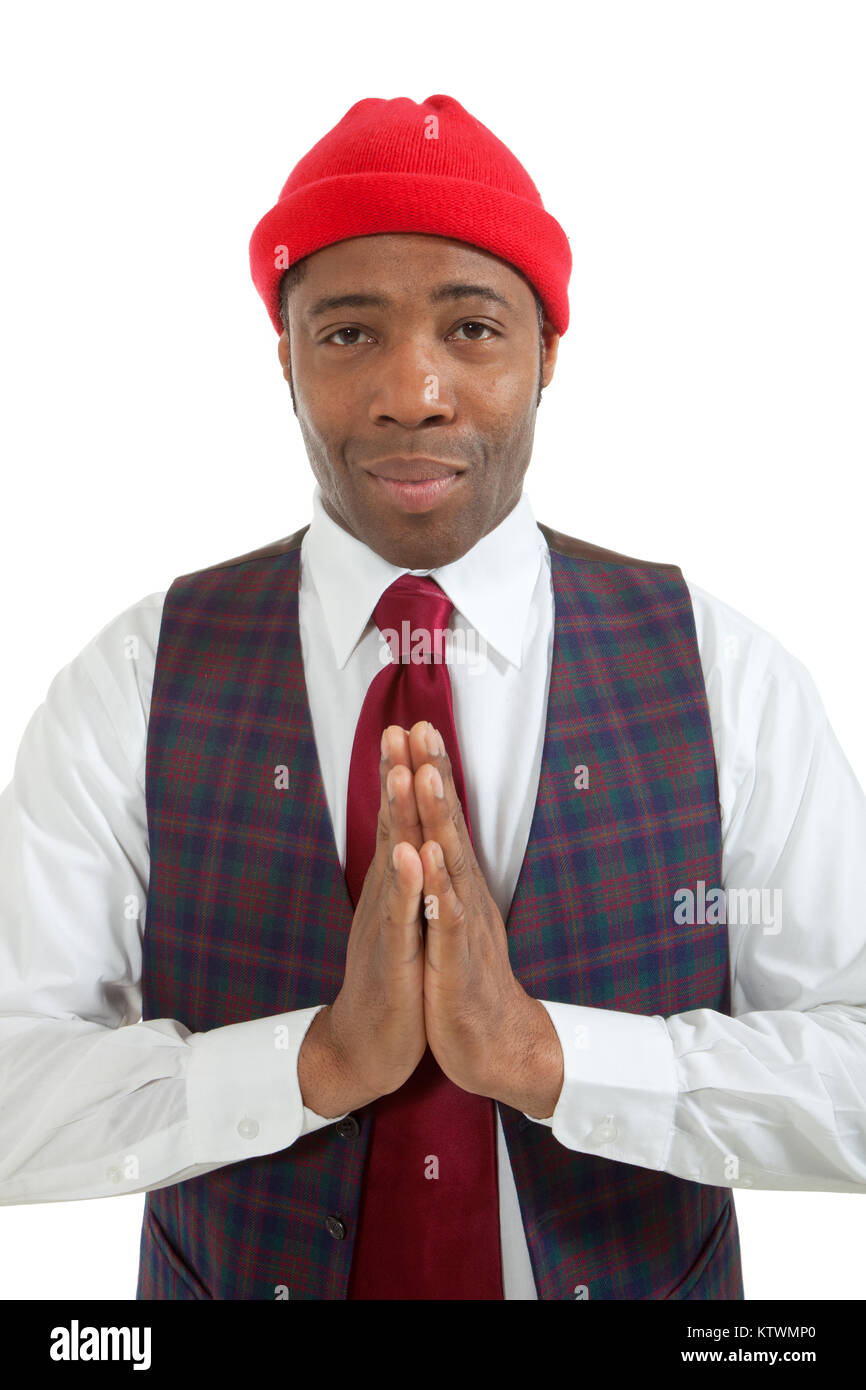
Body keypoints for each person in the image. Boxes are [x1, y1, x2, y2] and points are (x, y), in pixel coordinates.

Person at [1, 93, 864, 1302]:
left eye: (471, 327)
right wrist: (310, 1061)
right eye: (349, 334)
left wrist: (548, 1057)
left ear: (548, 351)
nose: (414, 391)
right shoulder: (133, 684)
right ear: (284, 356)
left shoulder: (725, 674)